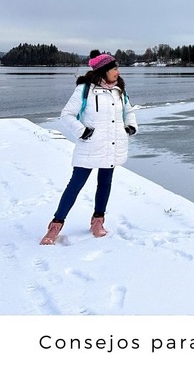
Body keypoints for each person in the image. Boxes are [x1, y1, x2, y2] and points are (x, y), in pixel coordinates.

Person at [40, 51, 138, 245]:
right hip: (91, 145)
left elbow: (128, 110)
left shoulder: (119, 90)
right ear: (103, 70)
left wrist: (130, 126)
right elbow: (66, 114)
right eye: (114, 68)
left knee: (105, 183)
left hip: (112, 144)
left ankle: (98, 221)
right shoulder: (85, 89)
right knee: (75, 185)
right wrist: (83, 131)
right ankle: (55, 225)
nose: (118, 72)